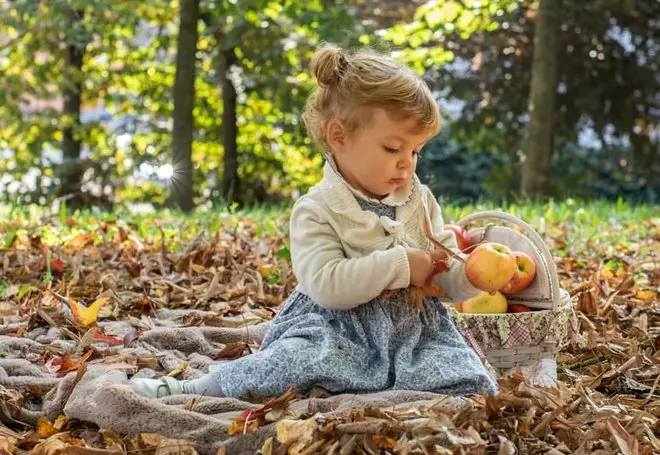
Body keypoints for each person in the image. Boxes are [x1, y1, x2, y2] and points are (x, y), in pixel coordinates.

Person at [131, 44, 498, 399]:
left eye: (416, 151)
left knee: (467, 372)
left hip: (414, 333)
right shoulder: (318, 209)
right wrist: (401, 265)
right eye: (392, 148)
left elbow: (444, 270)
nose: (408, 163)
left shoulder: (420, 201)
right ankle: (200, 388)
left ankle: (400, 396)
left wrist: (471, 275)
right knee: (295, 362)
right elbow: (326, 285)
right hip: (336, 330)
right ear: (339, 136)